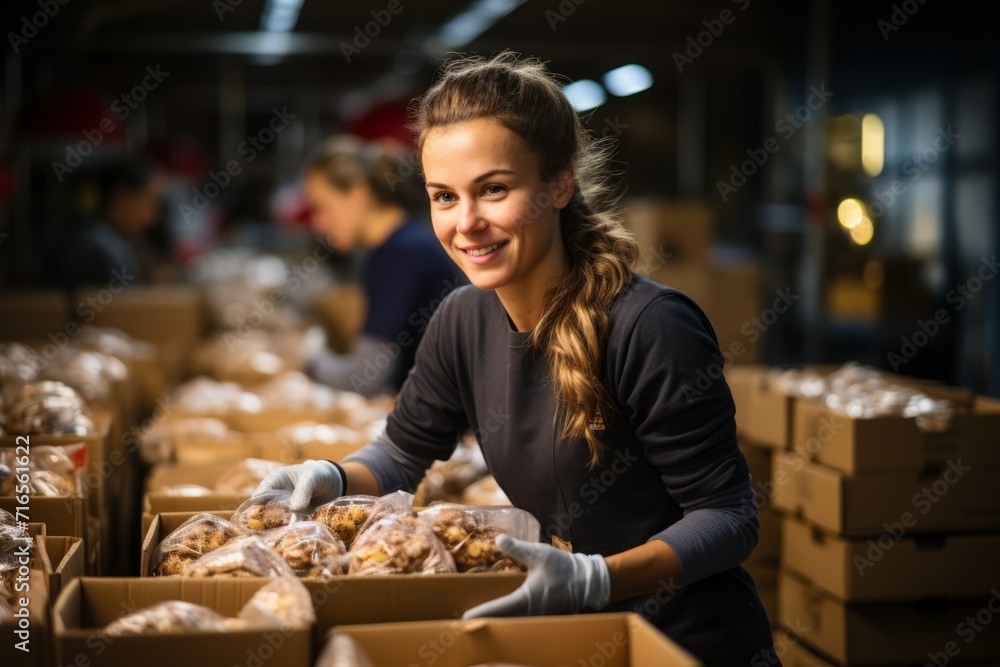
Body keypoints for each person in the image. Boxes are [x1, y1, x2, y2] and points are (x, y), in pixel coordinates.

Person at [258, 53, 776, 664]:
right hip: (568, 640)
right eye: (444, 197)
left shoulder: (651, 326)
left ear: (560, 183)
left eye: (494, 189)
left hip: (686, 645)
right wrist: (335, 476)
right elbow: (402, 452)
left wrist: (597, 578)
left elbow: (728, 516)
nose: (466, 223)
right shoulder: (460, 320)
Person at [302, 135, 460, 396]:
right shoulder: (399, 246)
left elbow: (365, 376)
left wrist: (303, 361)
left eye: (322, 207)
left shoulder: (401, 254)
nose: (318, 224)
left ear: (357, 192)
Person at [62, 156, 163, 290]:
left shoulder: (100, 240)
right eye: (148, 203)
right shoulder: (103, 252)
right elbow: (128, 309)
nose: (151, 218)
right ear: (121, 197)